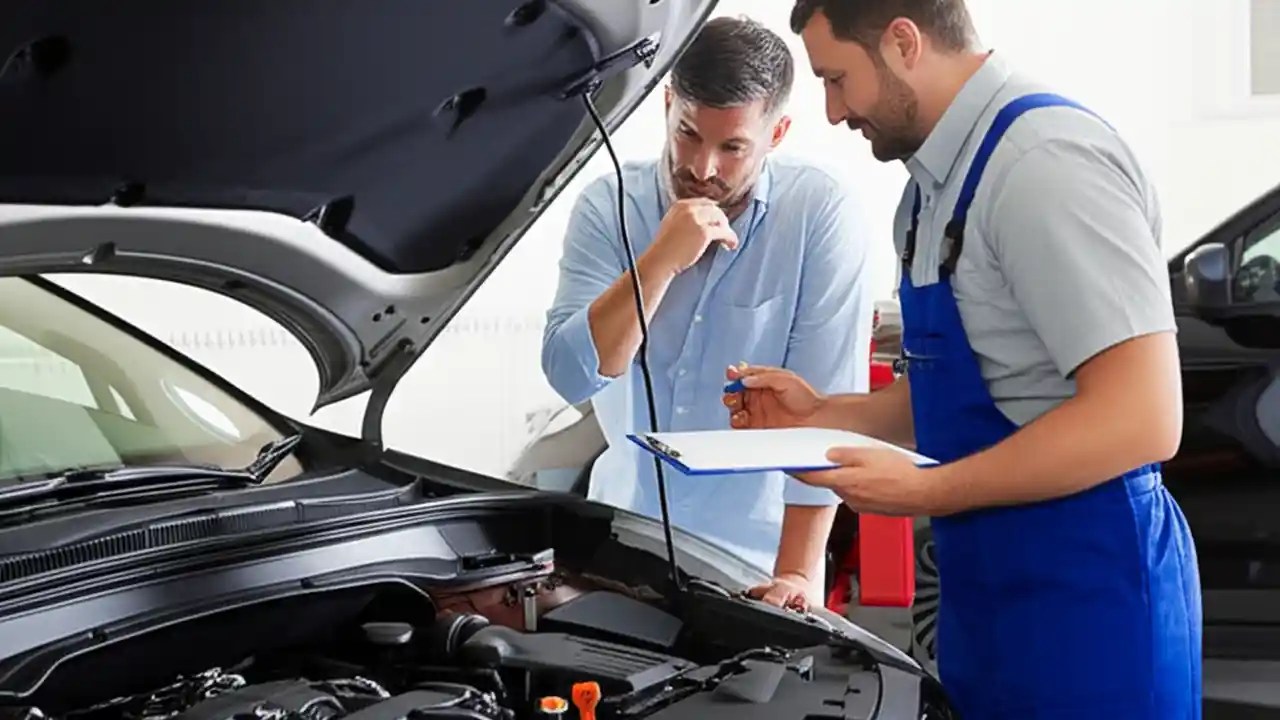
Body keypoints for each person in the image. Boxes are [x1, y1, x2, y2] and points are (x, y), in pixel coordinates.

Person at [724, 1, 1201, 717]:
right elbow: (970, 391)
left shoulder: (1044, 165)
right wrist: (823, 413)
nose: (831, 111)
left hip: (1094, 600)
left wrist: (924, 491)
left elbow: (1142, 418)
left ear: (903, 42)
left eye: (836, 78)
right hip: (987, 599)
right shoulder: (927, 192)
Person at [542, 16, 874, 608]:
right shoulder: (606, 205)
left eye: (732, 147)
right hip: (616, 543)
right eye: (689, 134)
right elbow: (572, 374)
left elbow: (824, 414)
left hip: (756, 564)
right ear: (667, 104)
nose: (702, 168)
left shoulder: (819, 213)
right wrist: (660, 262)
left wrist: (798, 574)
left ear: (777, 135)